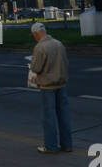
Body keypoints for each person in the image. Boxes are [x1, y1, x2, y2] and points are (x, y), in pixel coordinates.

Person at [29, 21, 72, 154]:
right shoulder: (59, 44)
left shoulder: (40, 47)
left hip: (47, 86)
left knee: (49, 116)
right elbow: (66, 63)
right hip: (62, 84)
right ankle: (67, 145)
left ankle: (51, 146)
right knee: (63, 115)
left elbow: (36, 68)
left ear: (36, 34)